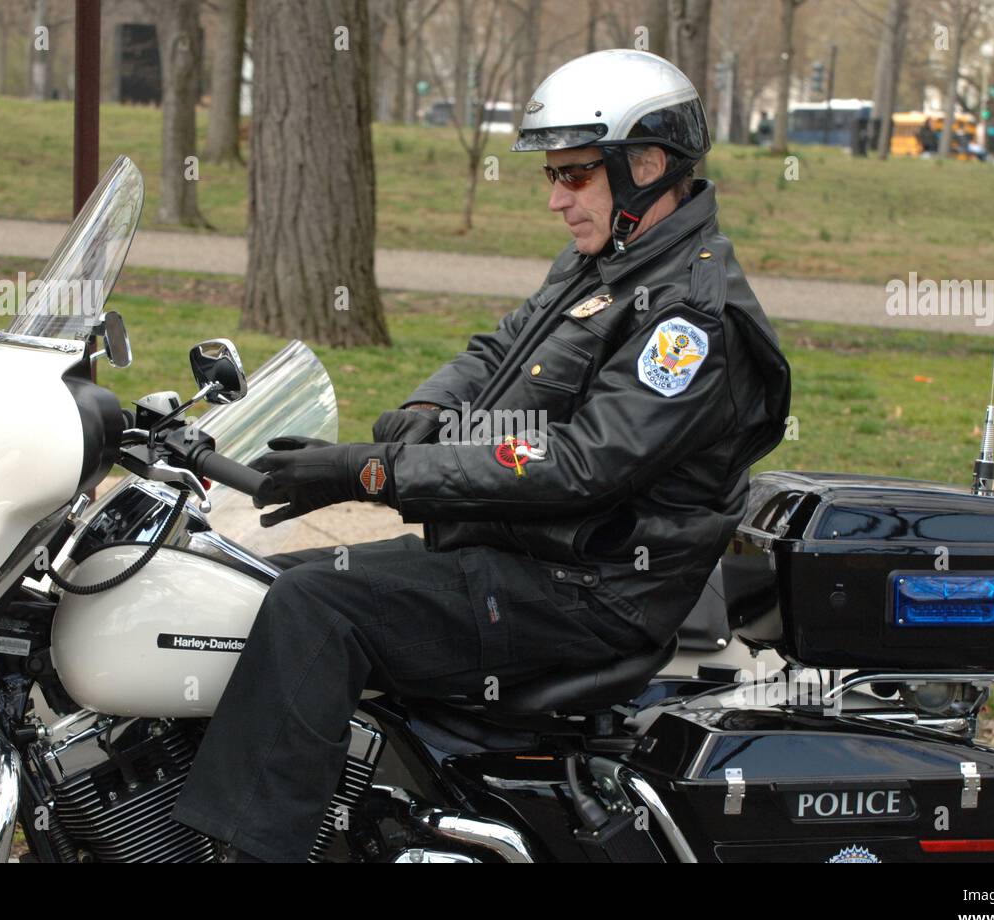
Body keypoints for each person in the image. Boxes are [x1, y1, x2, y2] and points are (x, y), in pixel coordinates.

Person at [170, 48, 792, 863]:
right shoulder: (605, 262)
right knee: (256, 583)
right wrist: (428, 411)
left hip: (593, 591)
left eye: (574, 174)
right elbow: (499, 349)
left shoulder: (690, 318)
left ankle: (256, 854)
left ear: (645, 165)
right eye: (552, 175)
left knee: (316, 607)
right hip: (522, 554)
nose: (555, 197)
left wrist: (373, 473)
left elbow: (582, 463)